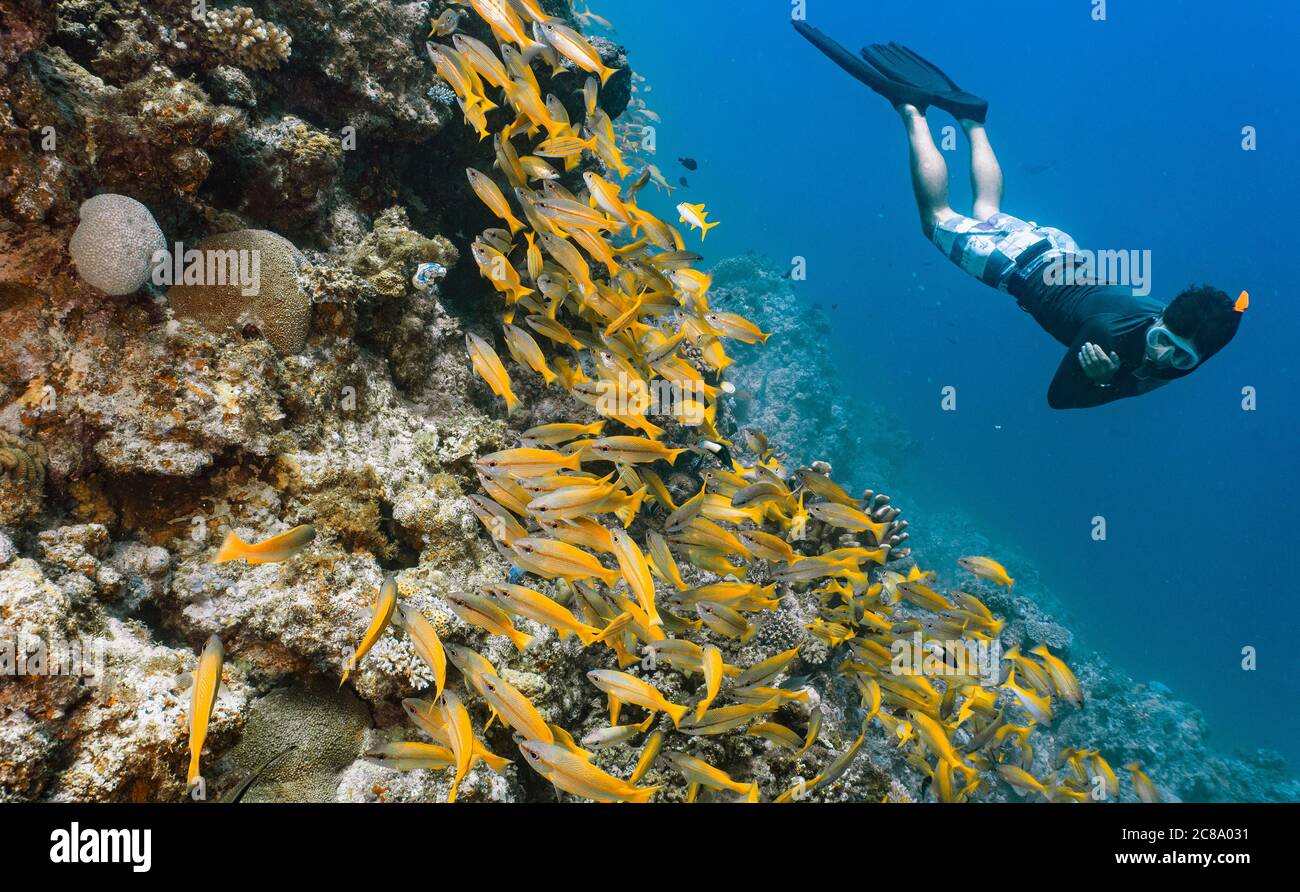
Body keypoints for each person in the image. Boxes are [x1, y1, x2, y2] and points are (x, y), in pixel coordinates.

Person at [794, 23, 1246, 409]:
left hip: (1058, 248)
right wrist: (1107, 380)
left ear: (1201, 358)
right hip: (1015, 267)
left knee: (987, 212)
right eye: (1163, 343)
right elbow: (1060, 398)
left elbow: (1166, 362)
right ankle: (910, 108)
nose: (1166, 359)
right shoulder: (1105, 337)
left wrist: (1145, 371)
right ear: (1162, 316)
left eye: (1182, 359)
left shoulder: (1179, 329)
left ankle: (971, 120)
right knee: (936, 218)